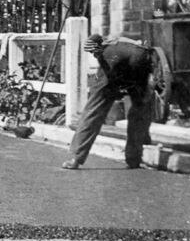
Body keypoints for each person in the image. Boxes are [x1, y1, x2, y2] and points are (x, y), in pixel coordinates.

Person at [63, 33, 155, 170]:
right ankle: (134, 159)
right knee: (140, 111)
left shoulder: (105, 54)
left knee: (93, 112)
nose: (93, 56)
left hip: (127, 66)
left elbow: (108, 80)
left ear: (97, 48)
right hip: (142, 62)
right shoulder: (116, 42)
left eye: (93, 52)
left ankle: (75, 157)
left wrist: (114, 89)